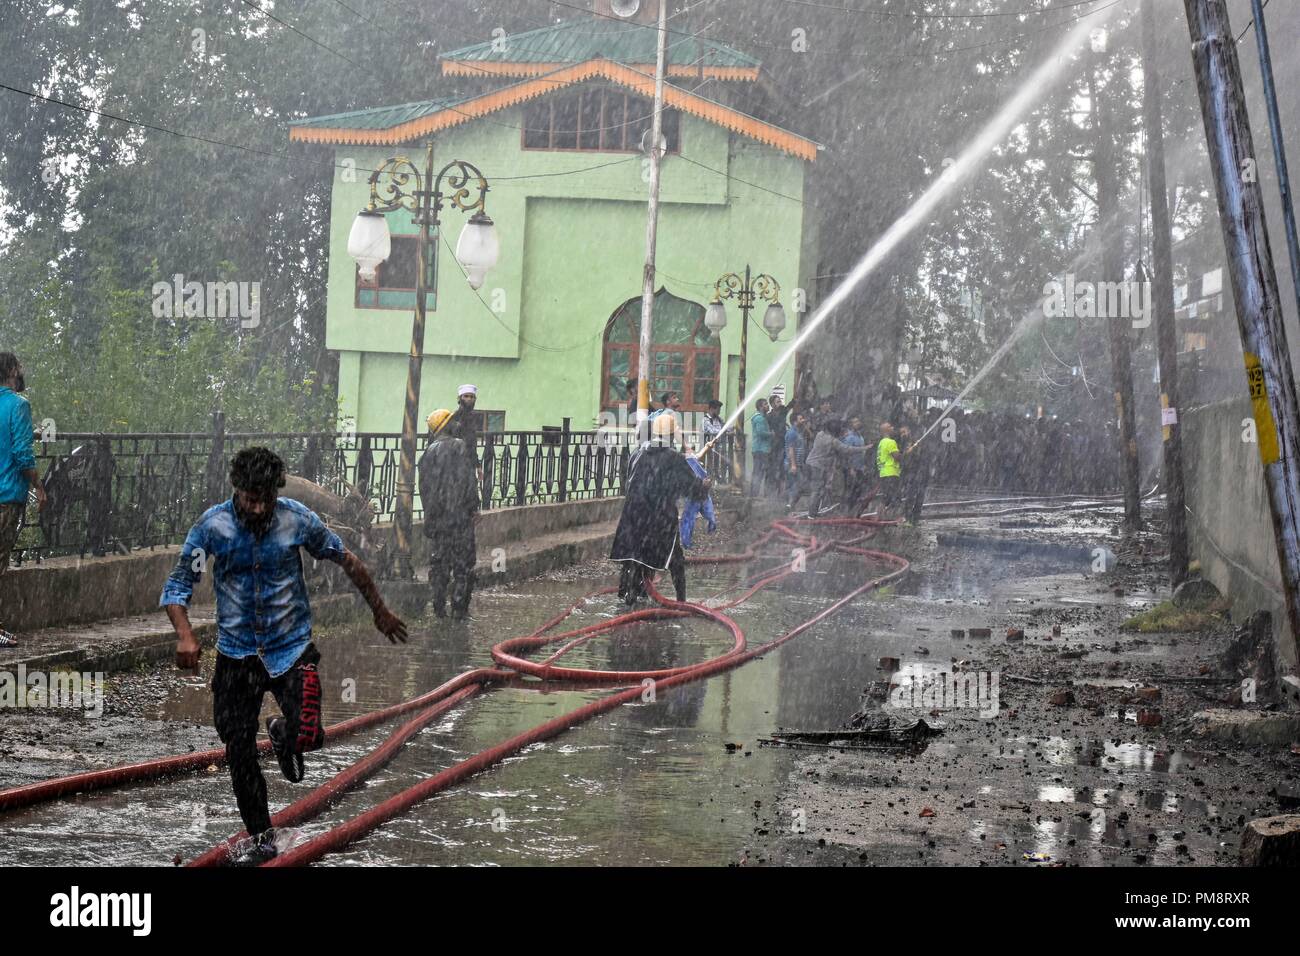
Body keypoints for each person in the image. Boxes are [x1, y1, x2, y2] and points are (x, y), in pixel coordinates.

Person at [161, 447, 408, 865]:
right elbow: (179, 585)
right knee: (237, 747)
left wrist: (379, 611)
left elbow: (346, 560)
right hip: (237, 654)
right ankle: (261, 838)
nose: (257, 508)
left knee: (309, 731)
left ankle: (282, 732)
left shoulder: (296, 519)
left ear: (275, 493)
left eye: (265, 499)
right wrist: (184, 635)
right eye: (249, 498)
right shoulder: (213, 527)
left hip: (291, 648)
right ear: (236, 490)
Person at [611, 413, 711, 606]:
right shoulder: (672, 457)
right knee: (676, 560)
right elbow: (691, 488)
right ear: (672, 435)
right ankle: (681, 603)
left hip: (633, 517)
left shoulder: (636, 453)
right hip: (660, 518)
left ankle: (629, 597)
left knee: (634, 557)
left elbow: (627, 482)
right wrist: (704, 486)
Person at [0, 353, 46, 648]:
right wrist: (39, 486)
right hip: (5, 496)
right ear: (13, 371)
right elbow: (20, 455)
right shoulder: (19, 405)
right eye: (20, 366)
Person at [418, 408, 480, 619]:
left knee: (439, 564)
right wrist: (473, 507)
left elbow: (424, 489)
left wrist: (431, 516)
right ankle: (459, 608)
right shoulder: (460, 447)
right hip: (460, 517)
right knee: (463, 565)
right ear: (446, 425)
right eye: (453, 421)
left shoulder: (428, 453)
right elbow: (468, 480)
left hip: (438, 519)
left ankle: (438, 607)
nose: (457, 424)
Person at [805, 420, 871, 518]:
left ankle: (814, 511)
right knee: (817, 490)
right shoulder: (832, 441)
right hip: (819, 466)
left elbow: (837, 443)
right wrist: (864, 448)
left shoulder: (820, 434)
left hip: (811, 463)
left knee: (818, 489)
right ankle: (811, 514)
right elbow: (847, 449)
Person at [678, 451, 717, 549]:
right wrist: (701, 484)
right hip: (693, 497)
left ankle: (711, 533)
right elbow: (686, 484)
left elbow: (698, 455)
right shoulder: (683, 467)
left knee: (711, 517)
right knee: (688, 521)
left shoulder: (692, 460)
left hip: (704, 495)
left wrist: (707, 447)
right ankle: (686, 544)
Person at [447, 384, 483, 483]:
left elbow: (472, 445)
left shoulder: (472, 418)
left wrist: (478, 466)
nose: (469, 399)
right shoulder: (453, 418)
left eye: (471, 397)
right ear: (460, 398)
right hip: (454, 465)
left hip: (468, 464)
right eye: (466, 396)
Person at [841, 415, 869, 514]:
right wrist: (850, 468)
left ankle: (853, 510)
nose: (857, 423)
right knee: (850, 489)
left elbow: (862, 452)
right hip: (851, 468)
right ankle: (847, 510)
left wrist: (863, 465)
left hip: (859, 467)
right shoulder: (849, 437)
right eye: (855, 422)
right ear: (851, 425)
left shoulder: (860, 437)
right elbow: (847, 453)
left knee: (858, 489)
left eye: (858, 421)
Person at [784, 411, 811, 513]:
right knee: (796, 486)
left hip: (798, 464)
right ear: (794, 421)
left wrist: (806, 426)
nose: (803, 420)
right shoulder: (792, 433)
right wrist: (793, 465)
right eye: (801, 419)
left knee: (798, 486)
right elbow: (791, 449)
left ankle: (790, 506)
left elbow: (811, 436)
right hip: (792, 464)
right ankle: (789, 506)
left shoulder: (799, 432)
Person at [876, 422, 902, 517]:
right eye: (890, 426)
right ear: (886, 430)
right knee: (895, 498)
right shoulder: (891, 442)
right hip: (891, 473)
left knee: (885, 497)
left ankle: (879, 517)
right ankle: (892, 518)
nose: (893, 427)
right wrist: (906, 453)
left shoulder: (881, 443)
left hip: (883, 473)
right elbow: (897, 457)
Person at [749, 398, 772, 497]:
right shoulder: (759, 418)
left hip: (761, 449)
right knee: (759, 472)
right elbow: (760, 433)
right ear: (760, 407)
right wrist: (771, 434)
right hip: (760, 449)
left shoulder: (762, 417)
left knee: (759, 472)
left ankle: (754, 493)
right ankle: (754, 494)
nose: (768, 406)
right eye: (766, 404)